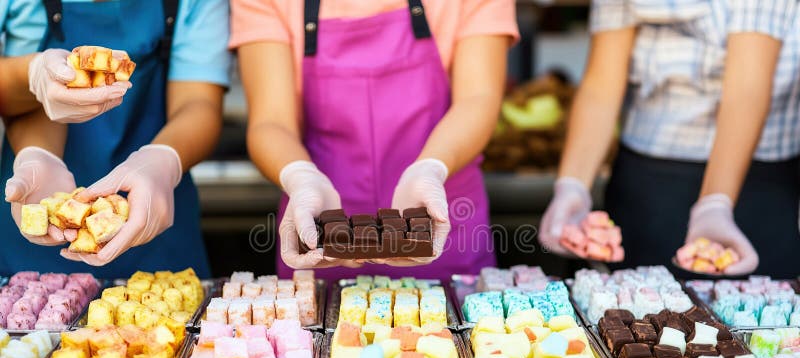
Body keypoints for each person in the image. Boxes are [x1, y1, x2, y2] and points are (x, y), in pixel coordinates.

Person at [231, 0, 518, 280]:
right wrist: (300, 177)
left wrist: (431, 167)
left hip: (444, 219)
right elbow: (270, 121)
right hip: (317, 230)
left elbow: (478, 98)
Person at [539, 0, 800, 278]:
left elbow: (747, 87)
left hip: (756, 180)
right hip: (646, 182)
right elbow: (601, 83)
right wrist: (573, 185)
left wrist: (715, 203)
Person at [0, 0, 231, 278]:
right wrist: (37, 151)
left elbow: (198, 102)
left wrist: (163, 161)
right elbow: (17, 97)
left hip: (159, 239)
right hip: (32, 239)